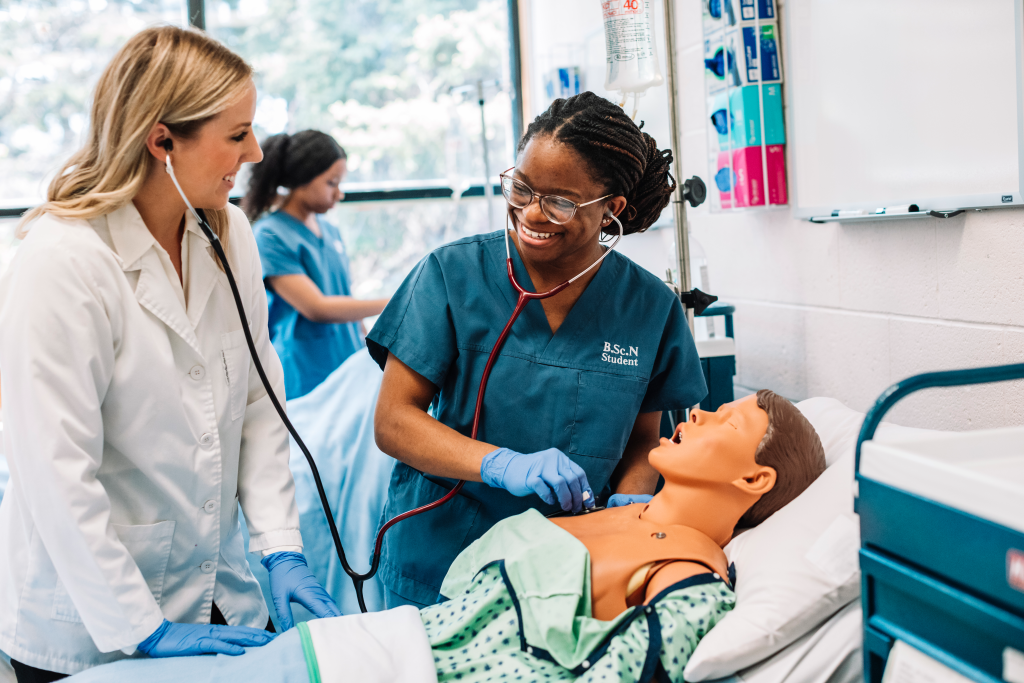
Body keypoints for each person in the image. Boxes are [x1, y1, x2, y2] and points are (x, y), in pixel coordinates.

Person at [65, 390, 828, 683]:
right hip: (369, 642)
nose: (700, 411)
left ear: (754, 478)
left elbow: (644, 663)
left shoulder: (691, 565)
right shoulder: (625, 512)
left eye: (726, 419)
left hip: (391, 667)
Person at [0, 27, 339, 681]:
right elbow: (54, 471)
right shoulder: (63, 262)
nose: (256, 152)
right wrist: (142, 624)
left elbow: (257, 400)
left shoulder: (228, 232)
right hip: (89, 619)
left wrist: (280, 546)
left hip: (216, 592)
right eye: (237, 134)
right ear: (162, 142)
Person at [367, 91, 707, 609]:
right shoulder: (452, 273)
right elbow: (393, 421)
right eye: (521, 188)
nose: (531, 212)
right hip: (440, 557)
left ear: (611, 209)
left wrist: (634, 500)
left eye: (560, 201)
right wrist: (501, 464)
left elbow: (645, 439)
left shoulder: (649, 306)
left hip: (570, 564)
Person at [242, 130, 389, 400]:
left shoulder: (330, 232)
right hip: (305, 371)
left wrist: (367, 348)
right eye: (331, 183)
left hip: (347, 362)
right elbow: (316, 308)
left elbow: (344, 297)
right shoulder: (270, 235)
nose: (339, 194)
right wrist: (396, 303)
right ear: (303, 178)